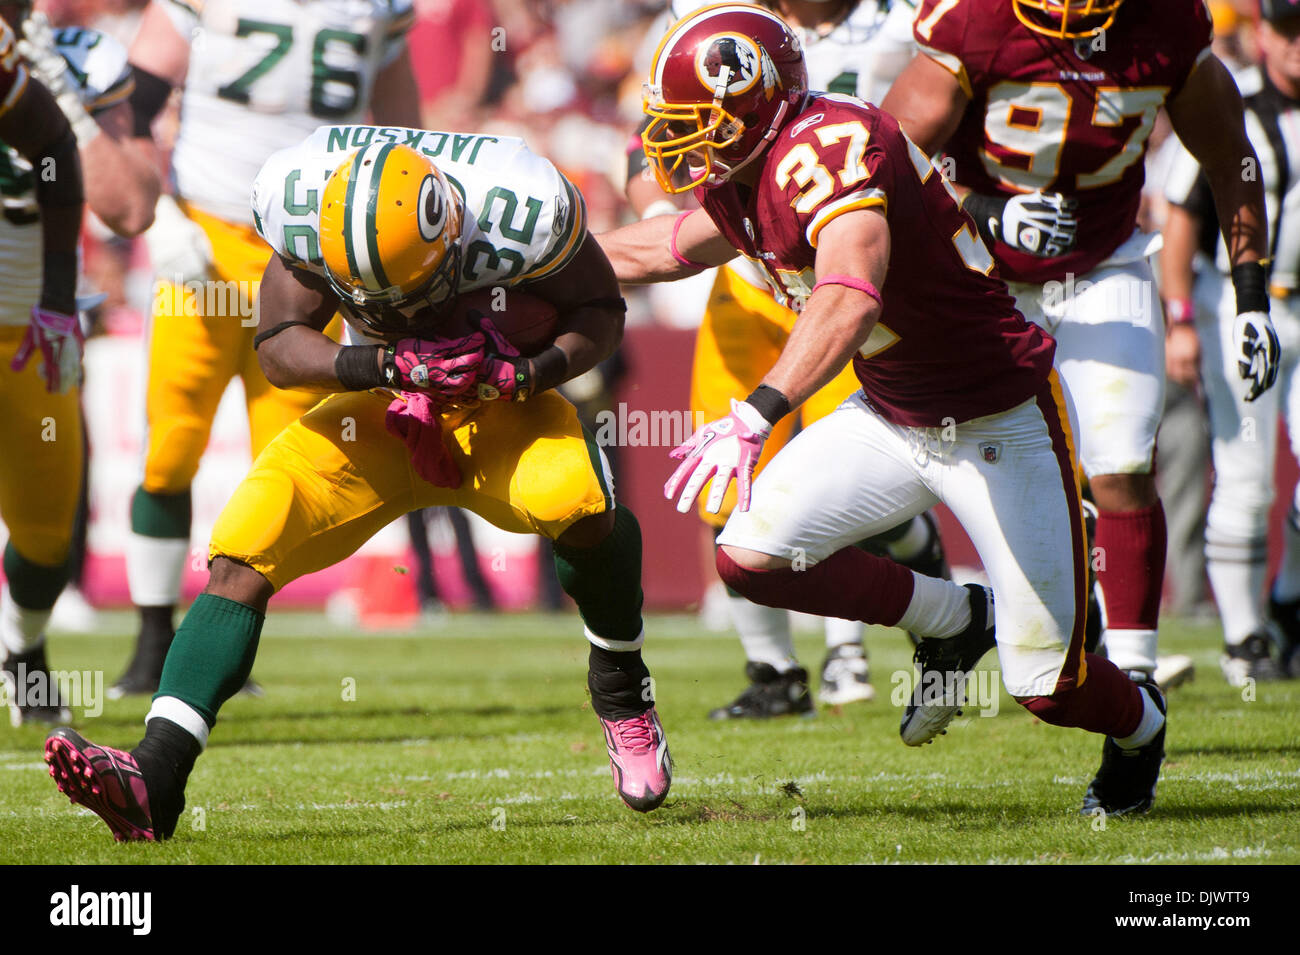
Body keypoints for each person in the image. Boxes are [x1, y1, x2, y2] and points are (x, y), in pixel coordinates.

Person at [600, 1, 1173, 815]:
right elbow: (660, 246)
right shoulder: (753, 169)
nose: (681, 142)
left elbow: (850, 294)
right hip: (896, 414)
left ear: (753, 105)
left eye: (700, 123)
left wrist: (756, 412)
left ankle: (1143, 729)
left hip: (997, 421)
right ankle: (953, 616)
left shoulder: (831, 148)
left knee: (1050, 687)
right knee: (750, 557)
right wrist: (539, 261)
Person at [44, 123, 672, 841]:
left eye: (417, 291)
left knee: (577, 500)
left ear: (456, 233)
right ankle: (154, 777)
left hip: (503, 406)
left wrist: (529, 370)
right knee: (246, 541)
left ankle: (622, 691)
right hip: (379, 411)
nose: (404, 311)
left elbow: (602, 311)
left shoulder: (521, 204)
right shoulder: (307, 202)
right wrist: (386, 365)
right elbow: (279, 347)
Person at [879, 0, 1277, 690]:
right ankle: (983, 615)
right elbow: (887, 160)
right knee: (977, 465)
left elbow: (1231, 157)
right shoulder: (974, 20)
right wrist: (985, 209)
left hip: (1105, 263)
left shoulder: (1166, 21)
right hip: (985, 273)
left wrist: (1250, 296)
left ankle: (1135, 674)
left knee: (1121, 459)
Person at [626, 0, 942, 718]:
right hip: (748, 272)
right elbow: (647, 148)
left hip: (841, 270)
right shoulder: (709, 23)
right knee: (723, 474)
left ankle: (856, 644)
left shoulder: (902, 23)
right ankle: (773, 670)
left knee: (847, 490)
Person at [110, 0, 422, 698]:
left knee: (284, 461)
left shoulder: (381, 8)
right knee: (171, 443)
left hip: (312, 254)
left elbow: (406, 137)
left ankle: (230, 638)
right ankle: (153, 635)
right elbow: (131, 107)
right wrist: (157, 215)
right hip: (208, 239)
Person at [0, 4, 159, 725]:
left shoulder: (72, 60)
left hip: (24, 323)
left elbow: (126, 208)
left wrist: (59, 298)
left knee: (44, 540)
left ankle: (20, 647)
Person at [1161, 0, 1300, 683]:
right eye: (1289, 28)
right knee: (1246, 470)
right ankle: (1244, 638)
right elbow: (1183, 215)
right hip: (1241, 304)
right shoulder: (1230, 97)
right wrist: (1180, 316)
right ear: (1262, 31)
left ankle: (1286, 601)